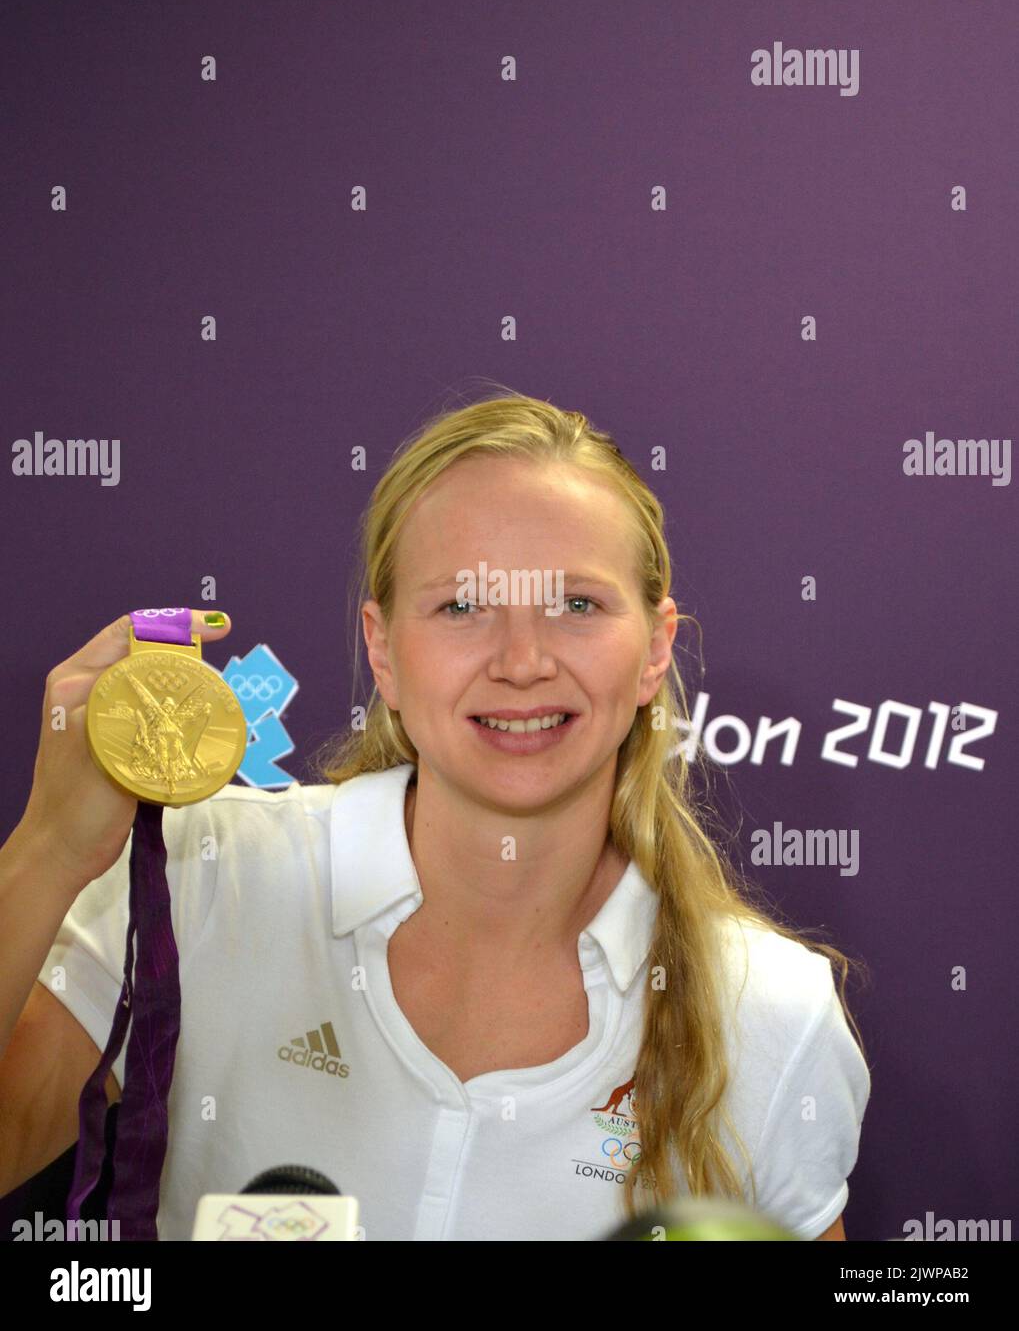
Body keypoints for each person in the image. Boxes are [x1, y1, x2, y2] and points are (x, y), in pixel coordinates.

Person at [0, 388, 870, 1240]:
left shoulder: (767, 1010)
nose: (522, 661)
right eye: (462, 606)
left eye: (576, 605)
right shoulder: (202, 876)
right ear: (382, 649)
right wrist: (45, 852)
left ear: (653, 649)